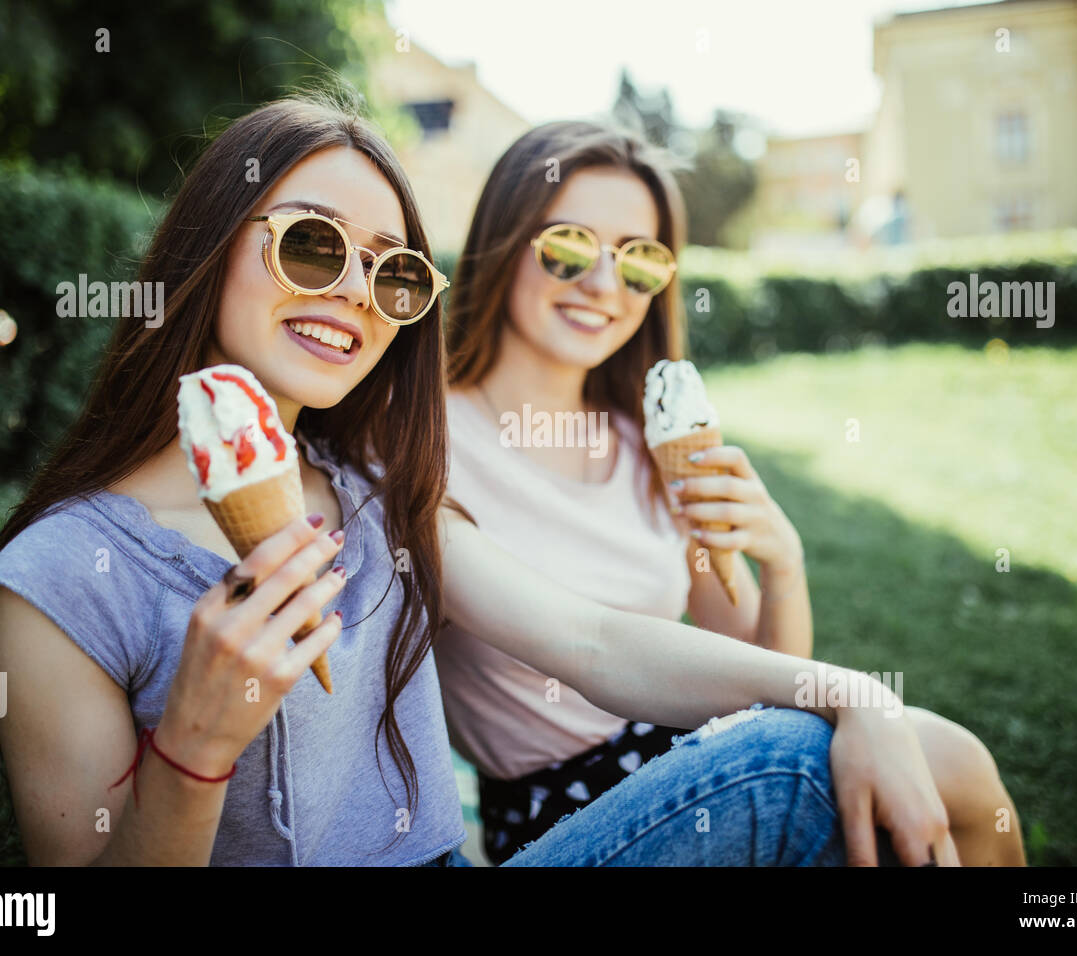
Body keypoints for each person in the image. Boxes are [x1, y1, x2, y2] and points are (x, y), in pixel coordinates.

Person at [0, 91, 954, 867]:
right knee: (791, 764)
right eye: (313, 245)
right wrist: (192, 745)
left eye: (393, 272)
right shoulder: (55, 580)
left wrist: (850, 691)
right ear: (211, 245)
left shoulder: (372, 488)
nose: (356, 291)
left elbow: (592, 639)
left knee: (920, 763)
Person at [438, 120, 1026, 865]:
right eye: (569, 245)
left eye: (640, 261)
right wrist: (854, 696)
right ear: (504, 239)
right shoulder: (426, 444)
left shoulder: (644, 440)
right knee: (948, 763)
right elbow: (593, 645)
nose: (603, 284)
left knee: (945, 770)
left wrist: (782, 565)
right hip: (565, 806)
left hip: (697, 747)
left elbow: (762, 671)